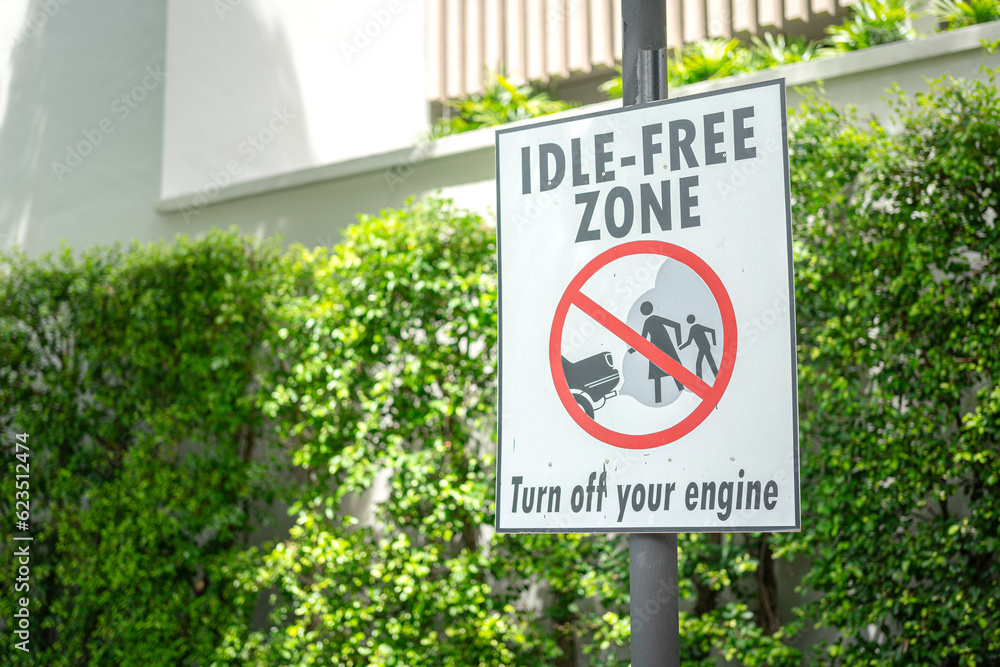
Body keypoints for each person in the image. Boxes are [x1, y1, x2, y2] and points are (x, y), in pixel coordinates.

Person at [628, 301, 683, 403]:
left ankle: (659, 399)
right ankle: (678, 390)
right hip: (663, 347)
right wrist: (679, 342)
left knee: (661, 373)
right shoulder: (654, 319)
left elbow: (642, 340)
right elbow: (676, 326)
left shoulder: (649, 321)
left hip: (659, 349)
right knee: (668, 370)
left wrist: (633, 349)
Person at [679, 314, 718, 380]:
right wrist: (681, 348)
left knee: (701, 363)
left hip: (704, 347)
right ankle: (704, 378)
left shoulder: (696, 327)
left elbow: (712, 331)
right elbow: (689, 342)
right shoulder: (693, 328)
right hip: (703, 348)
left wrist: (714, 343)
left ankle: (700, 380)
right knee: (707, 362)